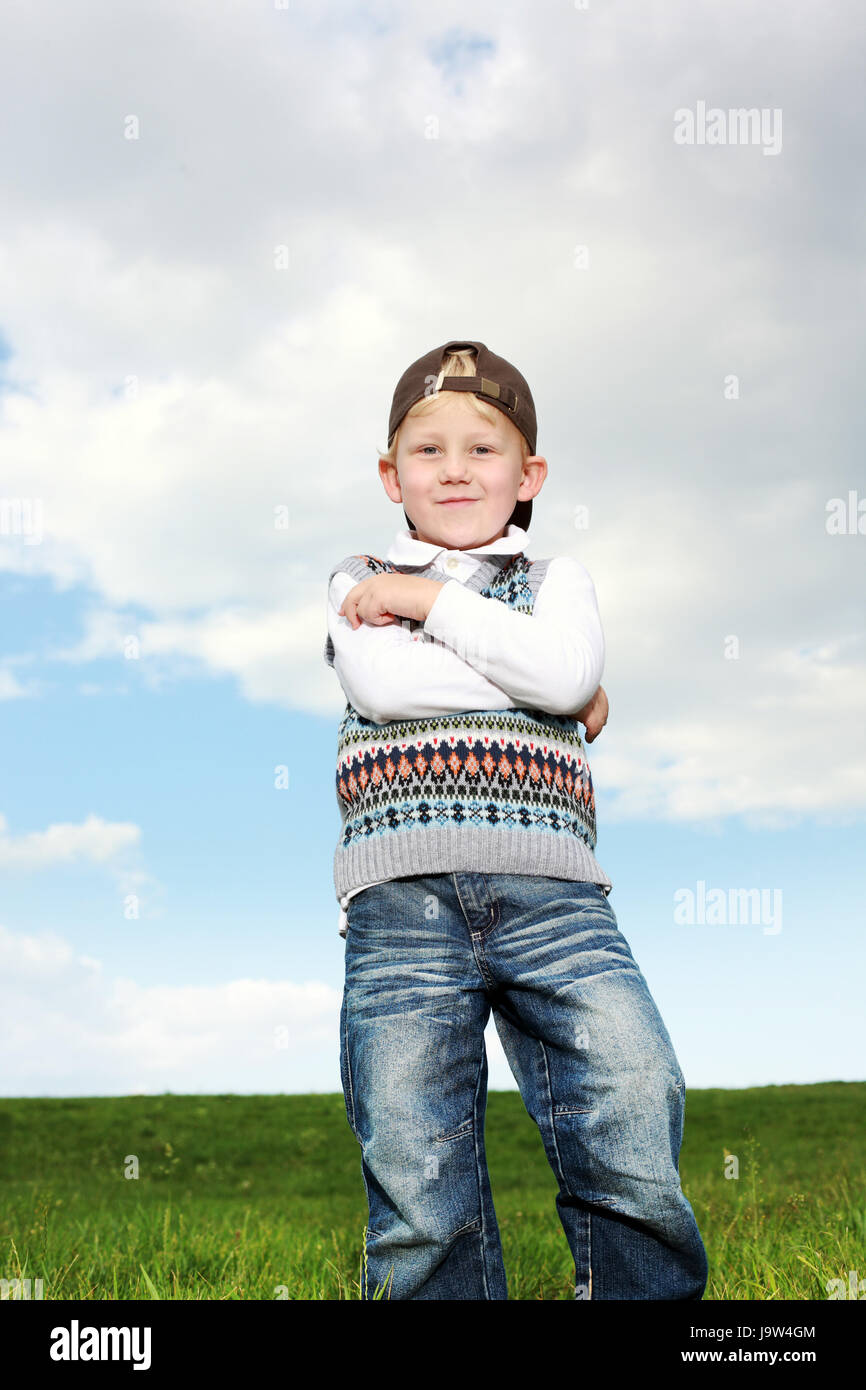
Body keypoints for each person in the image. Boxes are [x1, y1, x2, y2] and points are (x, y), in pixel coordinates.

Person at [323, 339, 709, 1300]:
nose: (455, 469)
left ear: (528, 473)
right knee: (416, 1154)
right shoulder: (355, 577)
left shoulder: (555, 583)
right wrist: (541, 685)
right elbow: (389, 686)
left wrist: (428, 603)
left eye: (483, 449)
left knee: (629, 1089)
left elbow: (568, 671)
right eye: (428, 450)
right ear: (390, 474)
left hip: (559, 898)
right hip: (400, 905)